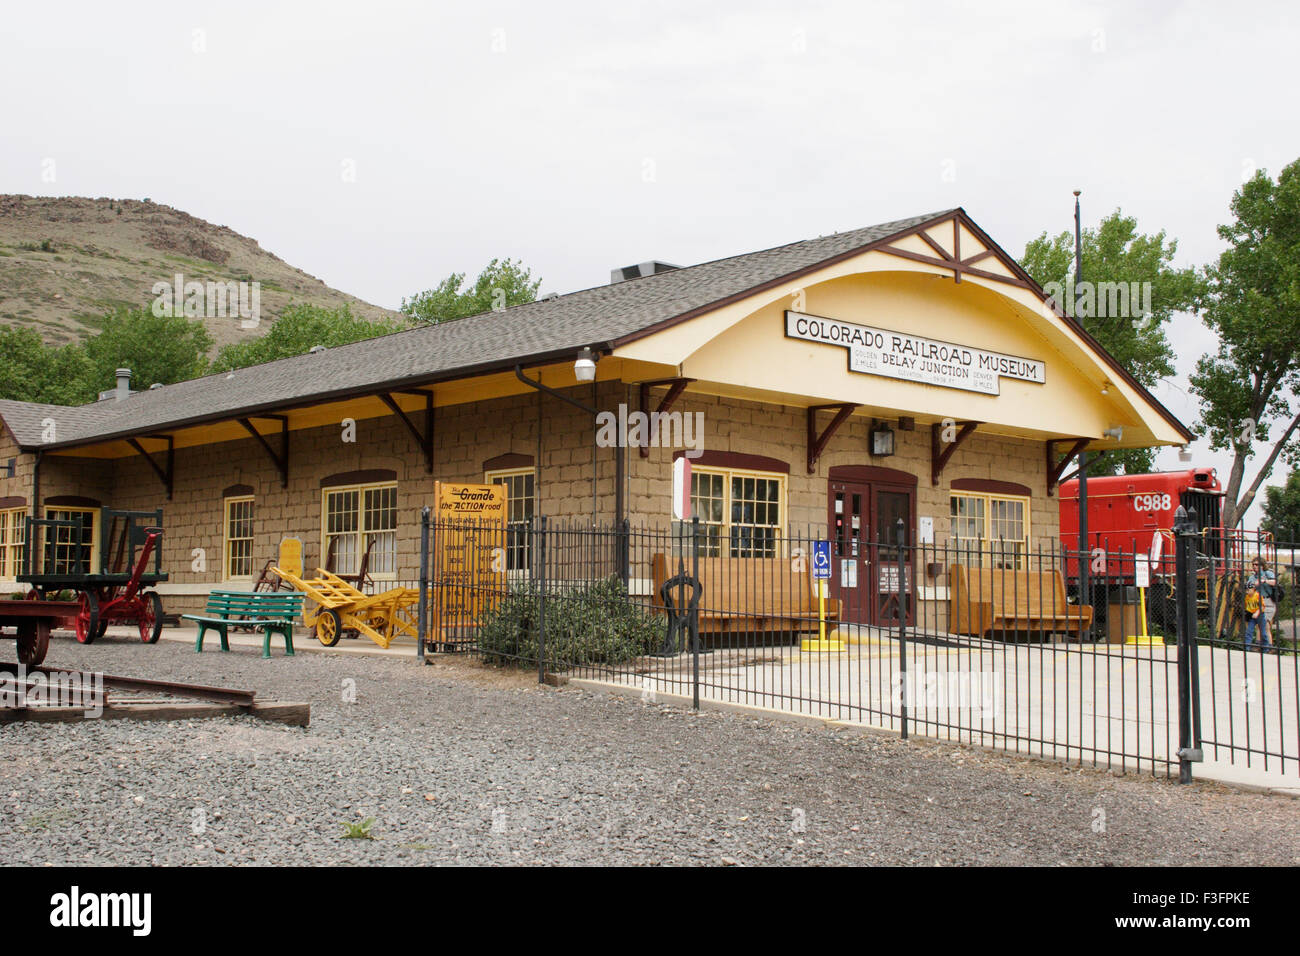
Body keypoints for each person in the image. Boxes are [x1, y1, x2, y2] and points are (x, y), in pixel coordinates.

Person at [1246, 557, 1277, 651]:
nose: (1255, 566)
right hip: (1257, 602)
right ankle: (1259, 645)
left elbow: (1275, 582)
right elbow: (1248, 588)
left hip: (1268, 601)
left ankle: (1269, 646)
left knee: (1266, 624)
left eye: (1257, 564)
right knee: (1259, 625)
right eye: (1253, 565)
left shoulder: (1268, 573)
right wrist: (1253, 585)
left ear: (1262, 565)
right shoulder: (1252, 577)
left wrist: (1264, 581)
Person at [1243, 583, 1270, 651]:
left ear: (1253, 589)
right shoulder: (1247, 597)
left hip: (1259, 615)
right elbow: (1247, 607)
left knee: (1263, 632)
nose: (1247, 592)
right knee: (1249, 631)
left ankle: (1266, 648)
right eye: (1246, 590)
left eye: (1248, 590)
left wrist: (1257, 613)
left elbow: (1262, 606)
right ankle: (1247, 647)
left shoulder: (1258, 595)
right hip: (1252, 616)